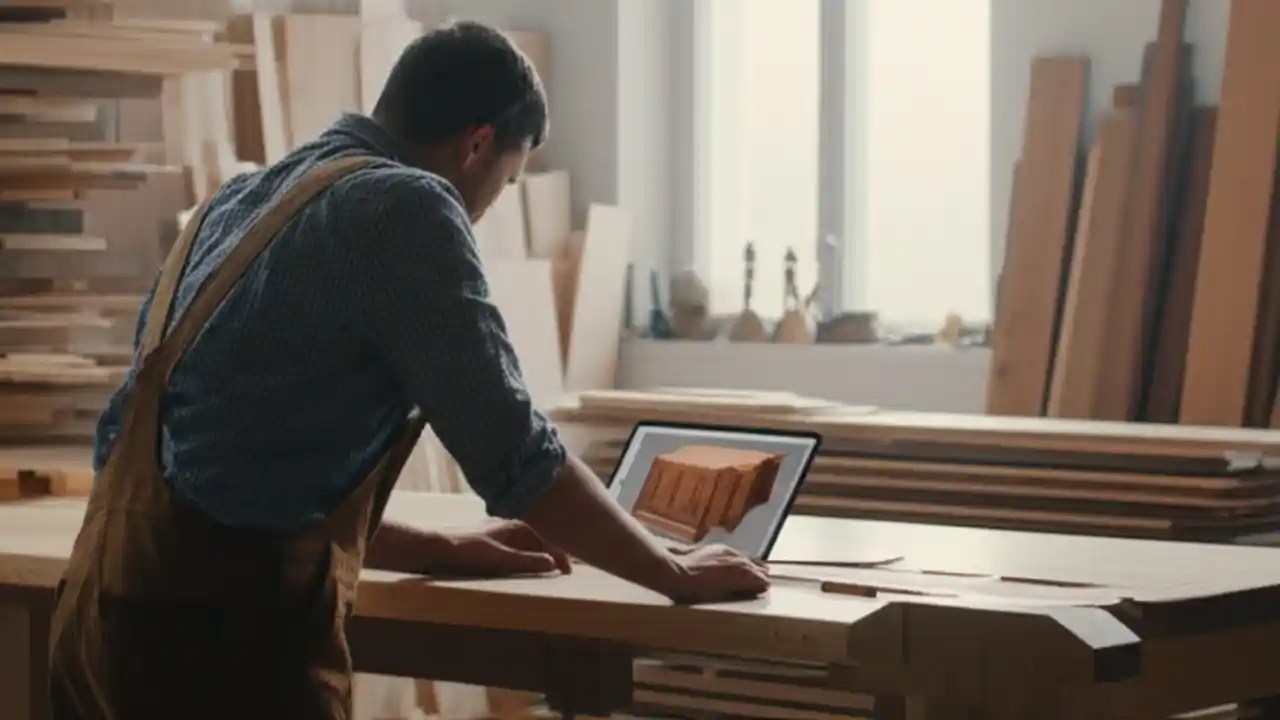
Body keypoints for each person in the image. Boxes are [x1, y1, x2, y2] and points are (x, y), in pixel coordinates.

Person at [47, 20, 768, 719]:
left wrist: (445, 549)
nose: (488, 206)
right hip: (219, 647)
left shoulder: (238, 202)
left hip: (102, 623)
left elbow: (226, 474)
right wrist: (671, 572)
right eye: (507, 180)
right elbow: (512, 451)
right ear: (476, 145)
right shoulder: (406, 206)